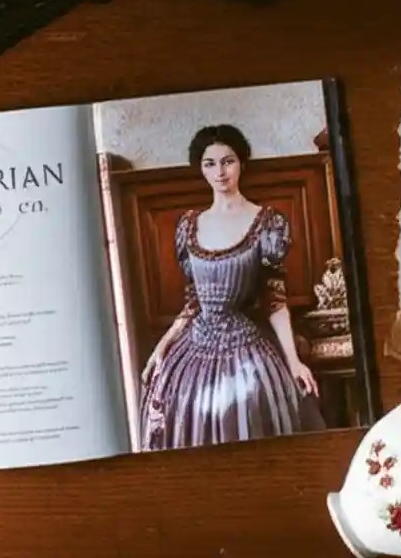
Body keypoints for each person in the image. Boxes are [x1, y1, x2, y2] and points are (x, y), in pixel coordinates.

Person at [139, 124, 324, 450]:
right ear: (201, 169)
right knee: (176, 402)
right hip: (194, 343)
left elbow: (275, 299)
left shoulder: (266, 222)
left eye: (228, 161)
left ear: (242, 164)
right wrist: (162, 347)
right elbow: (193, 302)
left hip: (246, 346)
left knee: (250, 405)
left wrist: (293, 361)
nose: (220, 172)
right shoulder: (190, 225)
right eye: (210, 163)